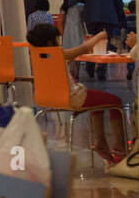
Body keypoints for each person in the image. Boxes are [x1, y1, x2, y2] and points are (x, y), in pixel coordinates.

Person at [29, 22, 126, 164]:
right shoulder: (58, 54)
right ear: (51, 41)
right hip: (74, 98)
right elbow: (85, 48)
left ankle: (101, 142)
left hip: (48, 98)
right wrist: (100, 35)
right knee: (116, 101)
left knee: (99, 103)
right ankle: (119, 147)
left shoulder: (36, 56)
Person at [73, 0, 126, 80]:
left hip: (91, 16)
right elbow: (118, 0)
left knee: (91, 41)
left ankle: (90, 67)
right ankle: (101, 70)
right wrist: (121, 17)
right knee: (105, 43)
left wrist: (68, 3)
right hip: (109, 17)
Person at [59, 0, 85, 79]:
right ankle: (77, 71)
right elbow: (83, 18)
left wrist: (63, 32)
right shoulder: (80, 6)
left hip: (68, 30)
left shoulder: (64, 7)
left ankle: (70, 71)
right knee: (78, 50)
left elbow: (63, 20)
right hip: (78, 28)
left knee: (68, 50)